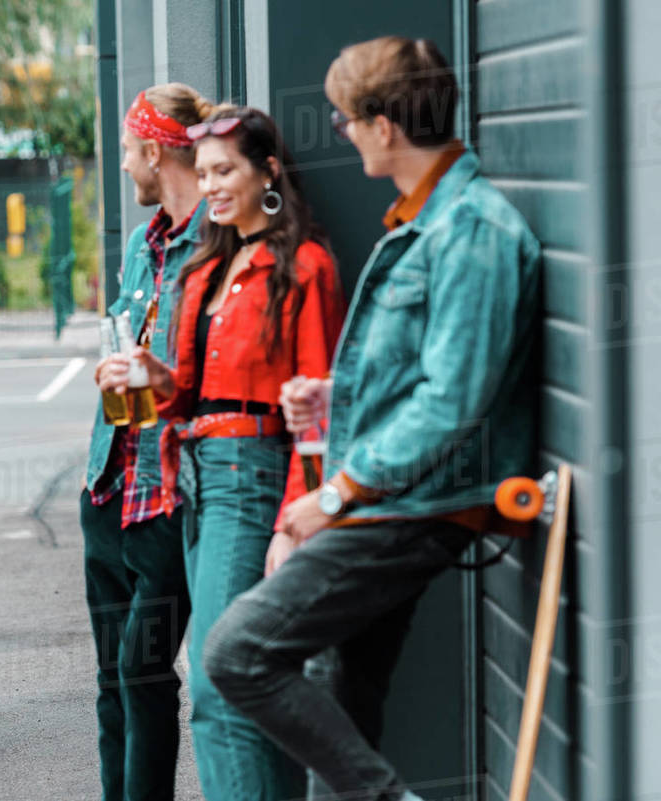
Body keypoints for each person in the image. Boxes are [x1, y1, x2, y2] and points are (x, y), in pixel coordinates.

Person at [200, 37, 542, 801]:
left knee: (237, 652)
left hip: (414, 504)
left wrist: (332, 495)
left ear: (385, 126)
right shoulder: (425, 219)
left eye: (347, 117)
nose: (342, 130)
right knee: (342, 689)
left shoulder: (472, 230)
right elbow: (420, 379)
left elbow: (452, 402)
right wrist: (331, 400)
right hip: (392, 491)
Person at [107, 105, 344, 801]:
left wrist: (299, 515)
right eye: (204, 171)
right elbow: (183, 399)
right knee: (245, 685)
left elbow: (319, 412)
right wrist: (151, 380)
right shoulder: (208, 266)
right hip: (197, 480)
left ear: (267, 170)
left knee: (218, 683)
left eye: (226, 170)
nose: (210, 185)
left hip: (256, 478)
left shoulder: (303, 265)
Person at [83, 83, 210, 801]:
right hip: (108, 485)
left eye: (129, 152)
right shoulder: (142, 243)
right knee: (112, 679)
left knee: (143, 669)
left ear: (156, 151)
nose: (126, 167)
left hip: (167, 492)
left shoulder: (214, 244)